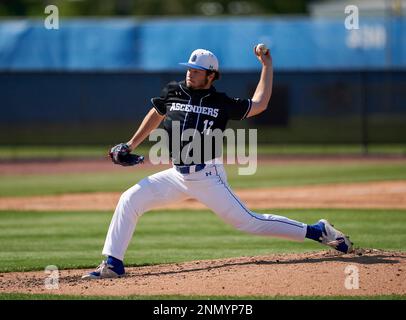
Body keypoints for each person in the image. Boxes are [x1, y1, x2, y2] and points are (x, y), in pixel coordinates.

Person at [82, 47, 353, 279]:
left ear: (211, 75)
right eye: (189, 68)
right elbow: (156, 113)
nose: (190, 73)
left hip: (207, 176)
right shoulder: (173, 91)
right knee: (130, 199)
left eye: (197, 70)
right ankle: (113, 264)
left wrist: (267, 66)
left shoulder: (221, 102)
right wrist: (130, 144)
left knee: (248, 222)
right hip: (177, 175)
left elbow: (259, 104)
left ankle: (318, 231)